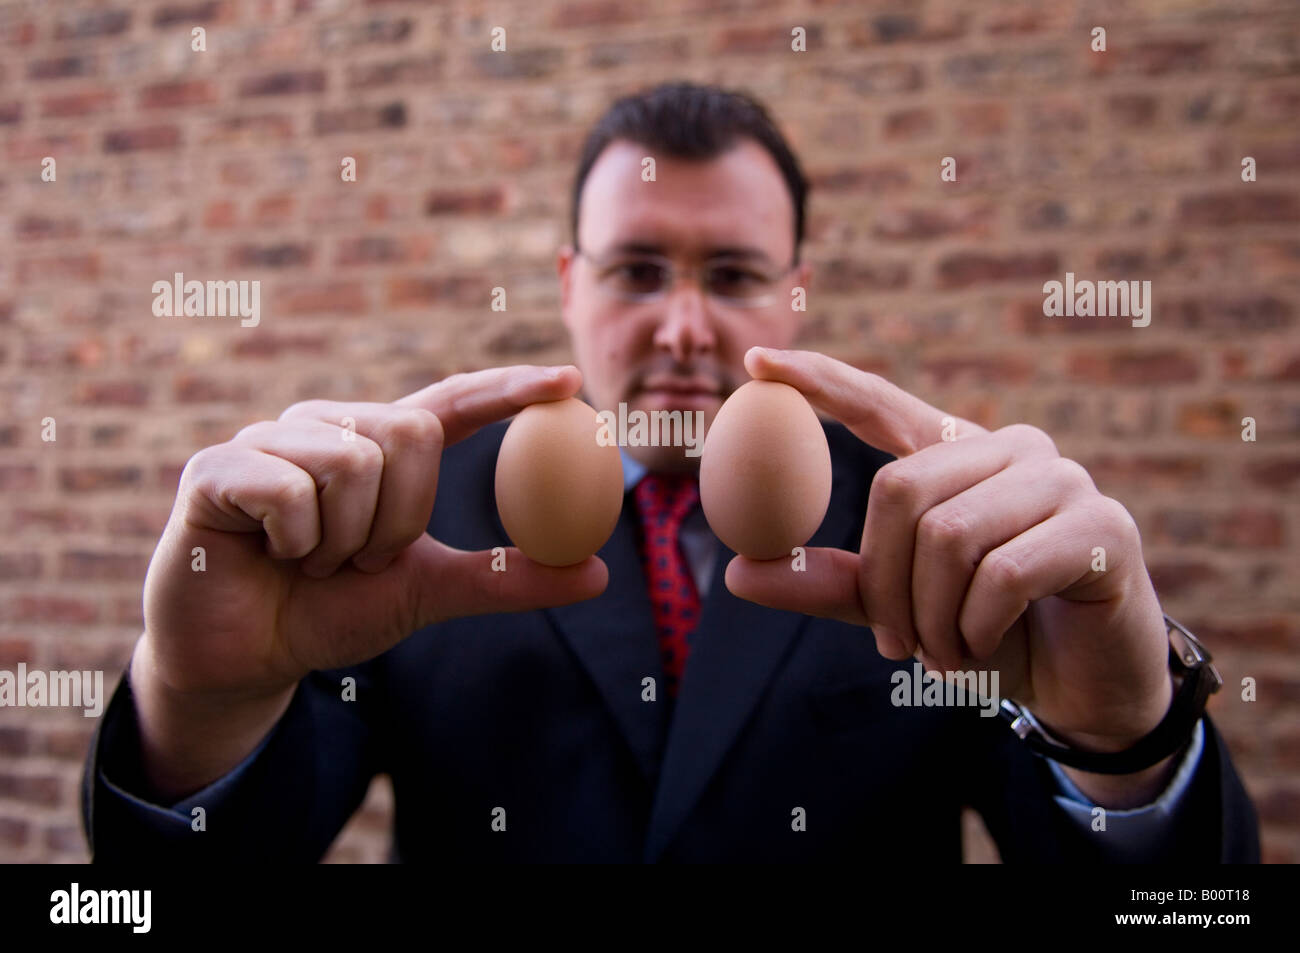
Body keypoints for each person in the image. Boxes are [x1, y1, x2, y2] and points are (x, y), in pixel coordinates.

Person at [82, 82, 1259, 862]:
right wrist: (197, 704)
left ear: (795, 293)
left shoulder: (926, 527)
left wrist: (1125, 741)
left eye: (735, 274)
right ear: (566, 285)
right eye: (638, 270)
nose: (685, 325)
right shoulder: (413, 528)